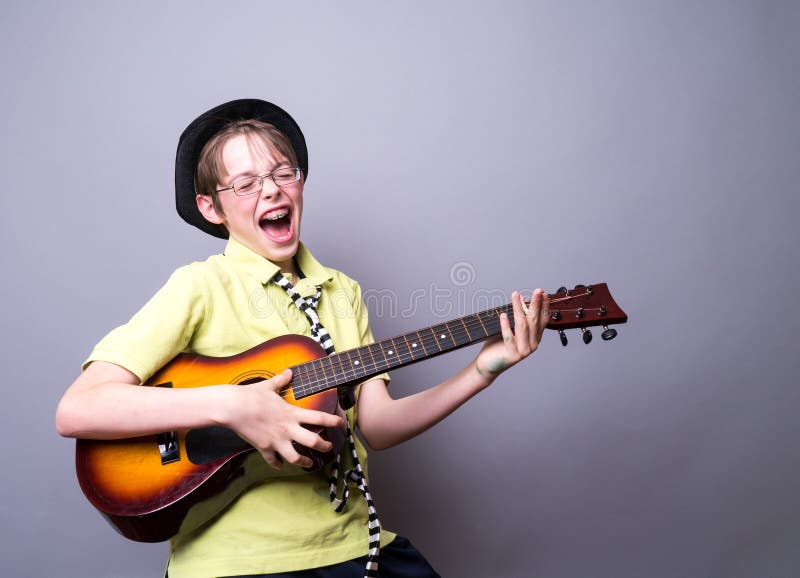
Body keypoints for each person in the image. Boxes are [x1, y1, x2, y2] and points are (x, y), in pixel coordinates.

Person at [56, 99, 549, 578]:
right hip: (236, 565)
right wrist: (231, 405)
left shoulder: (342, 292)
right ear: (212, 208)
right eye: (245, 184)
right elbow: (78, 410)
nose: (269, 191)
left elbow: (377, 425)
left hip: (356, 548)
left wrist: (484, 368)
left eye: (281, 173)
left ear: (300, 182)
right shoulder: (201, 286)